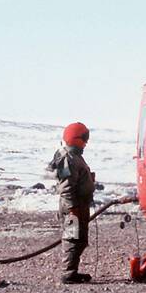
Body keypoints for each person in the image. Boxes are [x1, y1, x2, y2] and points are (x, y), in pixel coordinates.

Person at [47, 122, 95, 284]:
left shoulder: (74, 156)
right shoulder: (67, 158)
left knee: (79, 239)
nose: (86, 142)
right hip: (73, 207)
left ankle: (72, 271)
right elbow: (66, 187)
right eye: (84, 138)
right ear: (76, 138)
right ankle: (68, 273)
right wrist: (73, 209)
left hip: (78, 205)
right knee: (72, 238)